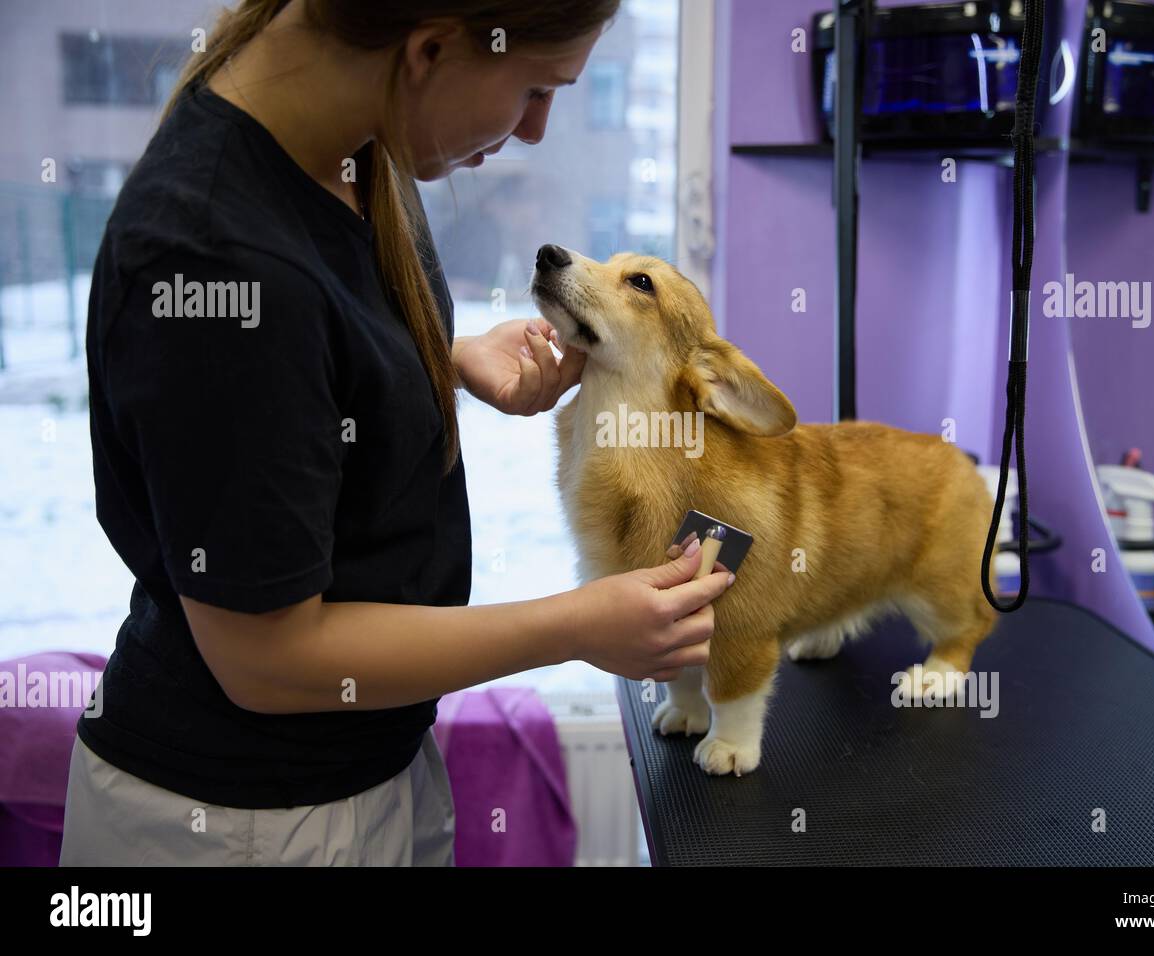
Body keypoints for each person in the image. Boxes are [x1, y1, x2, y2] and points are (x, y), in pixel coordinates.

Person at [60, 0, 732, 867]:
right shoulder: (211, 255)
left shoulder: (349, 144)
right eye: (534, 88)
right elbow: (268, 660)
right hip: (242, 822)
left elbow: (301, 355)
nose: (534, 130)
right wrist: (574, 626)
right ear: (429, 48)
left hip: (368, 765)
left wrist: (436, 356)